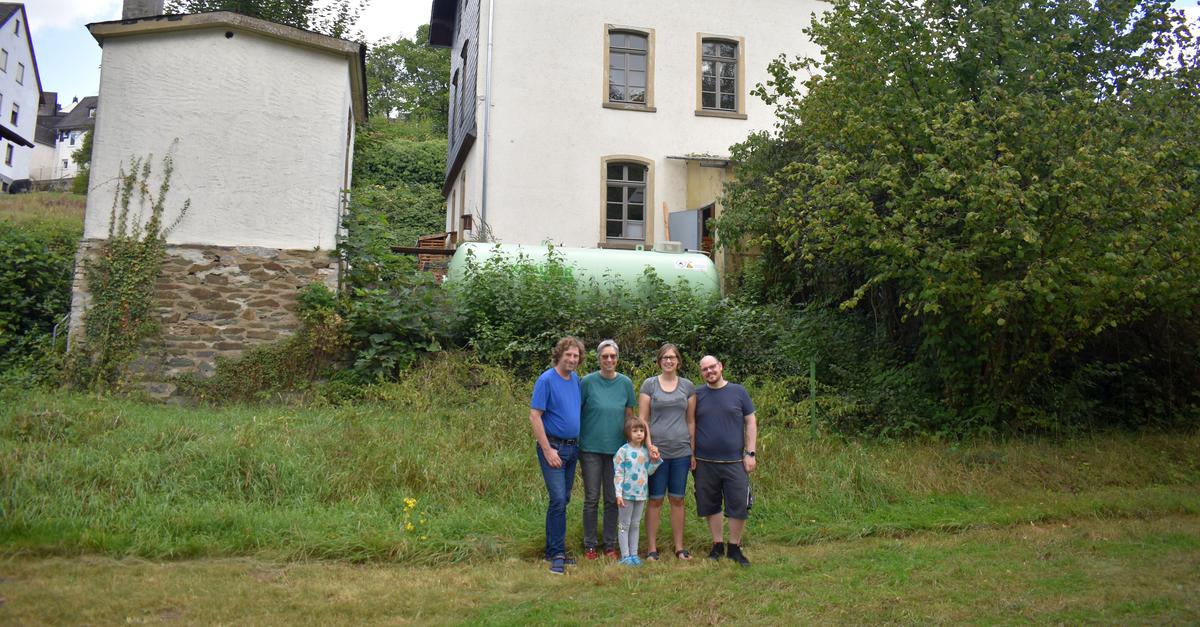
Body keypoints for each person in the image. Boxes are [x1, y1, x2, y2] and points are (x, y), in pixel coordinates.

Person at [692, 355, 758, 567]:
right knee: (710, 504)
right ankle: (717, 544)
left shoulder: (738, 392)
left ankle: (735, 547)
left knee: (738, 505)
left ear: (721, 367)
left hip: (735, 462)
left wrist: (751, 453)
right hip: (704, 461)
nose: (709, 372)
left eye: (713, 367)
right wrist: (691, 454)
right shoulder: (696, 394)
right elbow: (690, 424)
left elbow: (750, 421)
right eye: (705, 369)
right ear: (701, 372)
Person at [529, 336, 585, 575]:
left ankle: (555, 550)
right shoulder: (546, 380)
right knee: (558, 499)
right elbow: (535, 416)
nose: (572, 359)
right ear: (559, 355)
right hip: (553, 448)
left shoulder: (575, 380)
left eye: (576, 356)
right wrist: (547, 449)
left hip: (573, 448)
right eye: (568, 355)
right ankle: (555, 553)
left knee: (564, 500)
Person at [579, 339, 637, 560]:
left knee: (613, 499)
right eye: (605, 356)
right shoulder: (587, 382)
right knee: (592, 498)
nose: (609, 360)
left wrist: (633, 448)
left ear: (618, 358)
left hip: (617, 451)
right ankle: (590, 545)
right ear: (599, 359)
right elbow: (577, 412)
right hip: (590, 449)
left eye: (613, 356)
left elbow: (629, 417)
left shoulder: (625, 383)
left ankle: (610, 545)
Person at [639, 343, 697, 561]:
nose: (669, 361)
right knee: (655, 500)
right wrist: (649, 445)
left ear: (678, 361)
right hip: (657, 454)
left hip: (681, 452)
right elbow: (643, 419)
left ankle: (679, 548)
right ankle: (652, 549)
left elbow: (691, 421)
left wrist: (692, 452)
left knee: (677, 499)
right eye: (665, 358)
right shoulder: (649, 385)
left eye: (672, 358)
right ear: (659, 361)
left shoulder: (688, 387)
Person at [613, 417, 662, 566]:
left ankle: (634, 554)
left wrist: (655, 460)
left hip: (640, 494)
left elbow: (648, 472)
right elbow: (619, 473)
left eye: (642, 431)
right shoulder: (623, 451)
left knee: (635, 524)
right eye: (635, 431)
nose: (639, 434)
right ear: (628, 433)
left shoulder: (645, 452)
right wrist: (618, 494)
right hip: (626, 495)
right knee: (624, 524)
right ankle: (625, 556)